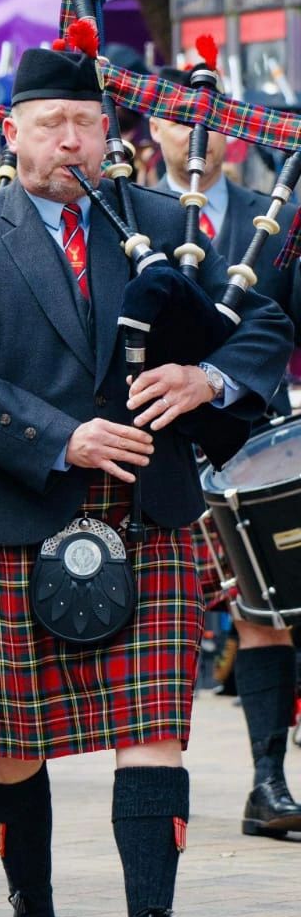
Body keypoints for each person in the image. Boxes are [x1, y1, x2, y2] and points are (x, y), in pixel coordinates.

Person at [0, 42, 292, 917]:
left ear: (111, 131)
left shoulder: (171, 222)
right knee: (7, 743)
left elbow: (271, 328)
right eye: (51, 124)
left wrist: (208, 375)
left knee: (153, 729)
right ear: (13, 132)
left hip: (145, 514)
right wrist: (62, 438)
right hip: (12, 509)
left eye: (86, 122)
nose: (71, 140)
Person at [147, 59, 301, 842]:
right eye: (181, 117)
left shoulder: (277, 213)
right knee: (197, 619)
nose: (198, 133)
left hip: (262, 445)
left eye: (213, 120)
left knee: (270, 609)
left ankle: (268, 783)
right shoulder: (133, 216)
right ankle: (149, 769)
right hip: (166, 447)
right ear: (155, 127)